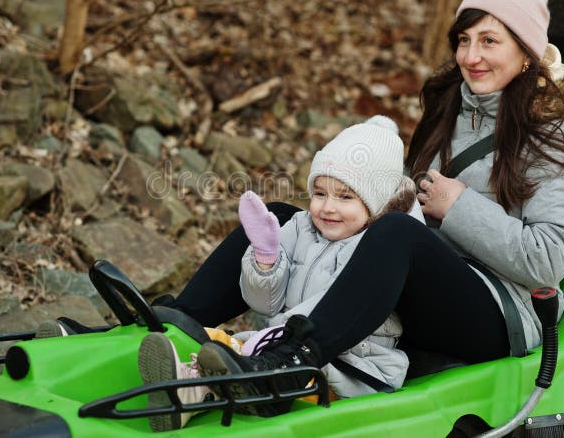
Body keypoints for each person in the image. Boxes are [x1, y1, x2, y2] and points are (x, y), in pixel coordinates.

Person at [154, 0, 564, 418]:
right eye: (464, 40)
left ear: (526, 52)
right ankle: (174, 322)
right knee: (283, 219)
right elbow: (399, 197)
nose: (471, 56)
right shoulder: (451, 107)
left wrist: (459, 206)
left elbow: (550, 260)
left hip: (501, 313)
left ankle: (290, 363)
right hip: (420, 280)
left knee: (396, 234)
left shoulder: (559, 136)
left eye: (489, 41)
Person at [138, 115, 420, 429]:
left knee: (233, 350)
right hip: (282, 346)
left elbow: (334, 309)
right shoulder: (302, 228)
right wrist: (266, 259)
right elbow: (266, 304)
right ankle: (187, 388)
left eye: (345, 197)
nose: (327, 207)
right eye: (320, 193)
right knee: (216, 342)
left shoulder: (375, 249)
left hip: (350, 369)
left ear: (377, 203)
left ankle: (199, 389)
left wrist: (268, 340)